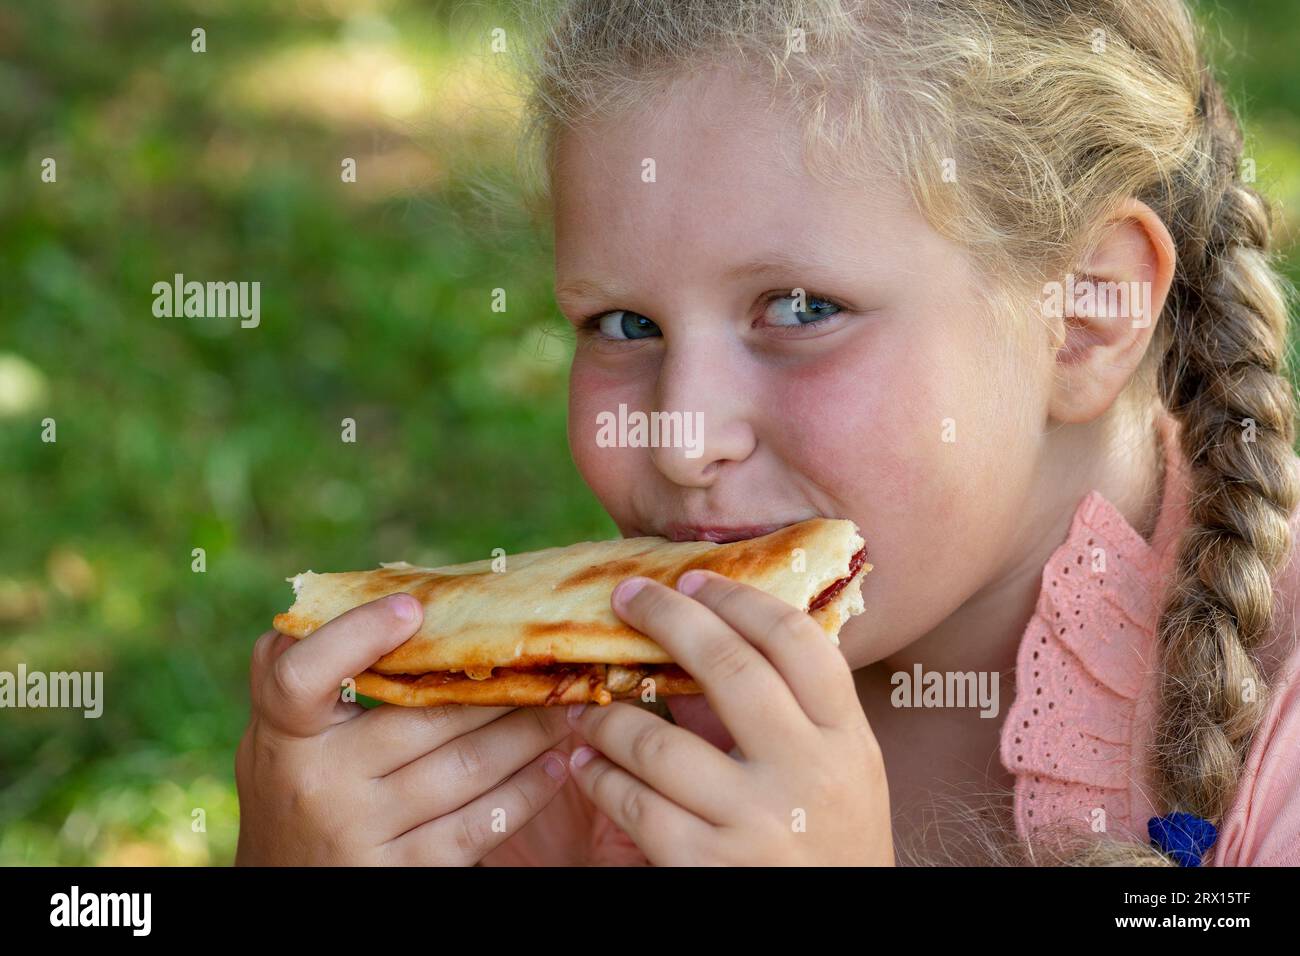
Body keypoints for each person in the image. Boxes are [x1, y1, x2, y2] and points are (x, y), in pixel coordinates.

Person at [235, 0, 1300, 865]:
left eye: (797, 308)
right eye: (623, 323)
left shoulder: (1276, 722)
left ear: (1083, 311)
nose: (681, 437)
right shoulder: (563, 737)